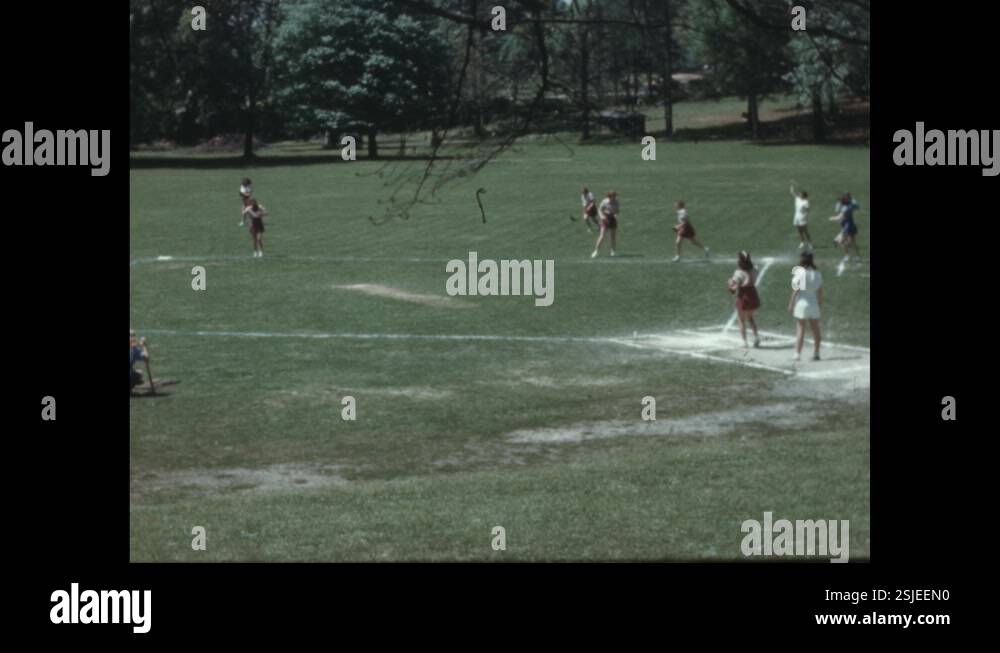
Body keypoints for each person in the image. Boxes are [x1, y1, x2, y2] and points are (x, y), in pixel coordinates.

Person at [787, 251, 823, 362]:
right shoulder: (817, 274)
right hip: (813, 303)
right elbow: (820, 292)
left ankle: (797, 353)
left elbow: (795, 290)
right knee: (816, 329)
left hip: (802, 304)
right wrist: (819, 304)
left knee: (800, 329)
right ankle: (816, 353)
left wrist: (791, 303)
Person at [728, 251, 761, 348]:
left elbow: (734, 289)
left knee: (741, 319)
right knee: (751, 318)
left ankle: (744, 341)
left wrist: (730, 284)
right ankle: (756, 337)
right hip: (753, 294)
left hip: (743, 296)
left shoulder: (738, 273)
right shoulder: (755, 269)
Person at [829, 192, 862, 262]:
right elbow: (857, 206)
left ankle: (847, 256)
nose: (840, 202)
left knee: (843, 242)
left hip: (848, 226)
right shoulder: (850, 204)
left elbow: (840, 217)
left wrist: (832, 218)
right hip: (850, 225)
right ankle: (856, 256)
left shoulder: (847, 208)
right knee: (852, 242)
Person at [591, 191, 619, 258]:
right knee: (602, 236)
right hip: (605, 219)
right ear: (610, 196)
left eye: (615, 196)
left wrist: (616, 215)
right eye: (614, 196)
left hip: (612, 219)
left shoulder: (616, 202)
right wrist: (602, 217)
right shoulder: (604, 201)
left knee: (613, 236)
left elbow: (617, 210)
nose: (615, 197)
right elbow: (599, 210)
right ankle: (596, 251)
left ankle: (613, 250)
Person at [790, 182, 812, 250]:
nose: (799, 194)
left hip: (802, 217)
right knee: (799, 230)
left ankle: (809, 243)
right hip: (796, 216)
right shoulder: (797, 198)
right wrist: (792, 185)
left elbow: (808, 210)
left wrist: (806, 216)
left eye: (801, 194)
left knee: (805, 231)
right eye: (799, 194)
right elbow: (792, 192)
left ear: (804, 196)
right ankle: (802, 242)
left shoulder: (806, 202)